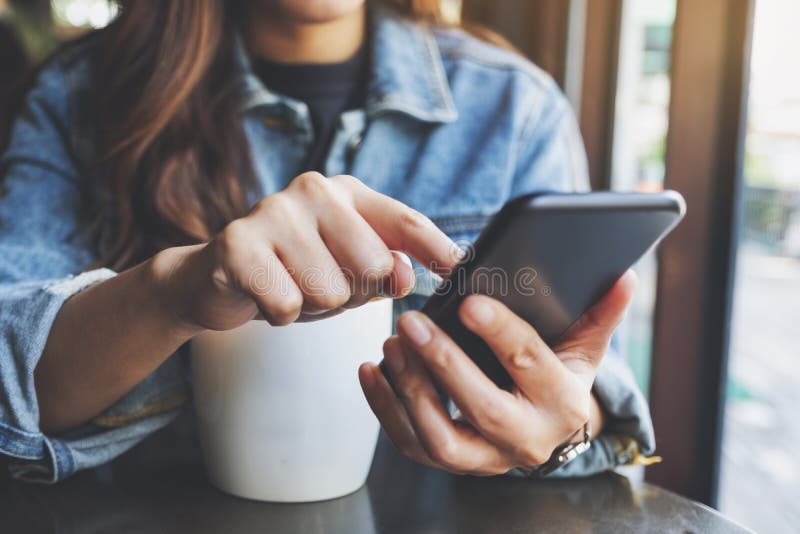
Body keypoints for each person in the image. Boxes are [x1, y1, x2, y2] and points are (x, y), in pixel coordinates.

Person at [0, 0, 654, 483]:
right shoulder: (79, 96)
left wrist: (561, 435)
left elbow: (584, 394)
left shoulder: (516, 109)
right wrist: (173, 293)